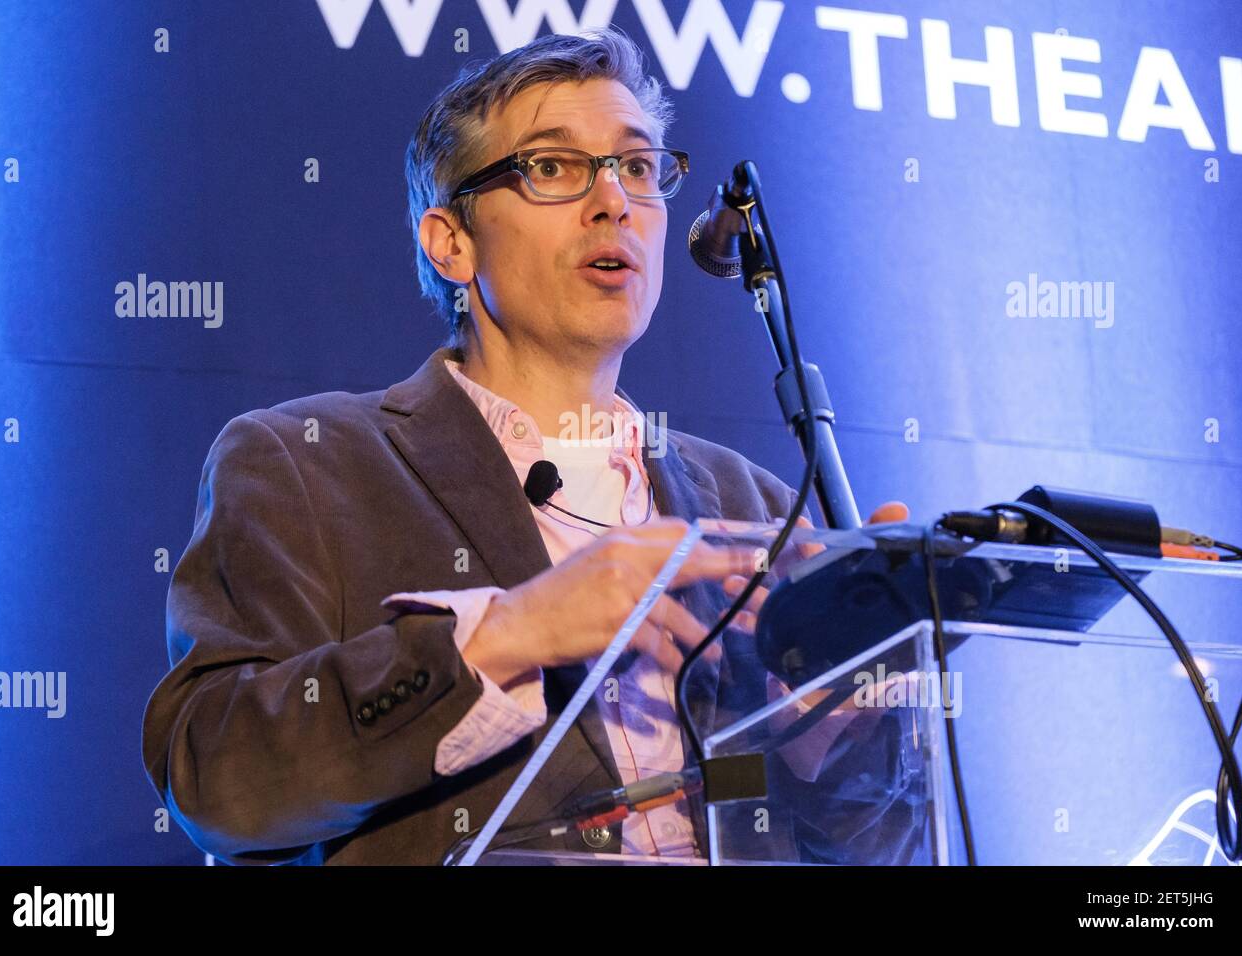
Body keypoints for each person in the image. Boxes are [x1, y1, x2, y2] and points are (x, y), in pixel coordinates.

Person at [142, 27, 915, 866]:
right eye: (552, 168)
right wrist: (508, 631)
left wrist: (833, 729)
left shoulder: (756, 506)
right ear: (452, 243)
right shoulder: (306, 464)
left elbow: (878, 847)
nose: (614, 200)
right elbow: (219, 777)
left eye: (638, 167)